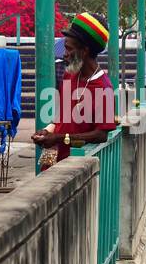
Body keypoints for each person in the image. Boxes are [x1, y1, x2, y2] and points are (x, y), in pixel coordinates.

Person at [31, 12, 117, 163]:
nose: (64, 54)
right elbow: (62, 117)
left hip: (78, 165)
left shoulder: (104, 88)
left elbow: (101, 135)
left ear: (84, 51)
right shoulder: (69, 75)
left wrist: (58, 137)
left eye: (69, 49)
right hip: (55, 160)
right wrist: (47, 131)